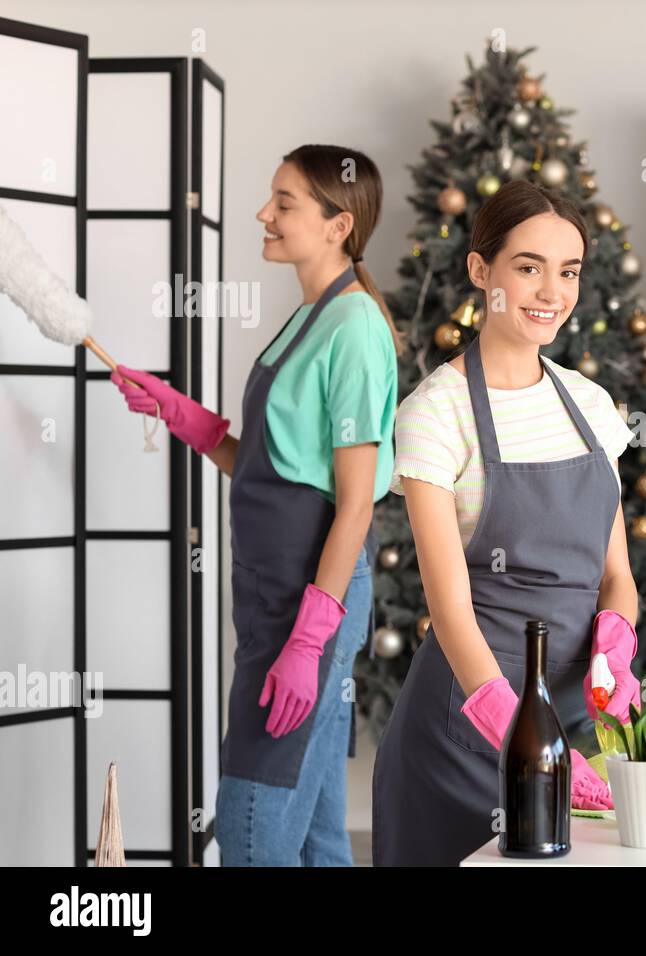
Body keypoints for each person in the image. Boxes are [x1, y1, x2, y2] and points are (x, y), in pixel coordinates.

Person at [111, 144, 399, 864]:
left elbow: (356, 504)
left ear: (339, 225)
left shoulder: (355, 326)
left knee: (250, 831)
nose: (263, 214)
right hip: (278, 598)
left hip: (311, 604)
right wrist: (184, 418)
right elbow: (276, 470)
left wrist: (307, 642)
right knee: (319, 840)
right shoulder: (308, 318)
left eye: (285, 202)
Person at [372, 180, 640, 866]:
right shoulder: (437, 412)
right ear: (480, 270)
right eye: (529, 267)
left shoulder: (591, 405)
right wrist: (517, 732)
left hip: (581, 729)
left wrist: (617, 642)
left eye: (569, 270)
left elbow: (616, 577)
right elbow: (450, 607)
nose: (552, 290)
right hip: (465, 740)